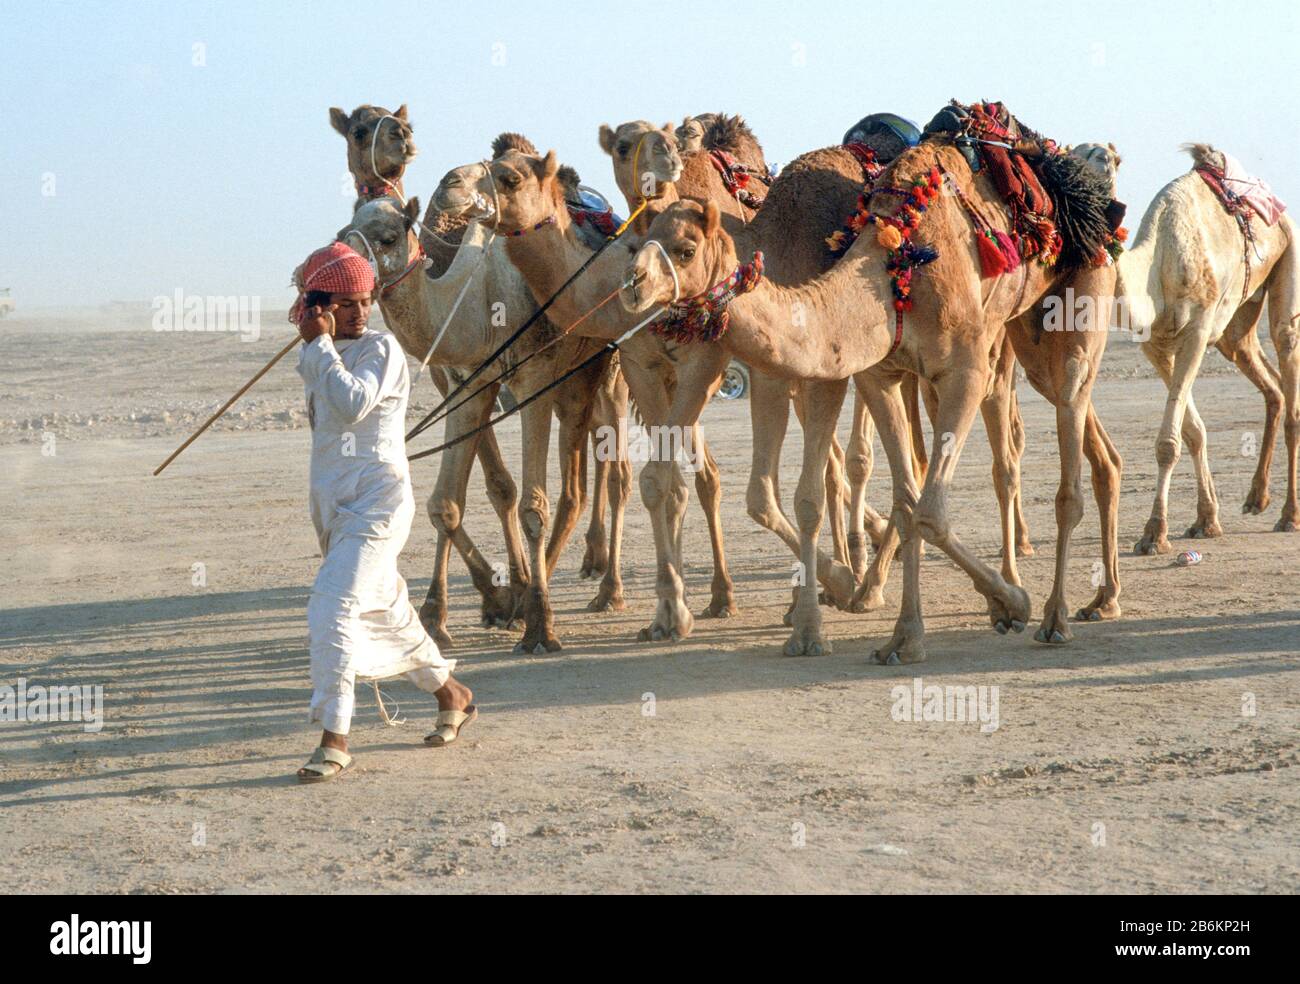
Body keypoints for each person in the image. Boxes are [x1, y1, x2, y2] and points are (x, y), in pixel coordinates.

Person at [289, 242, 475, 783]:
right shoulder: (315, 351)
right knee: (387, 610)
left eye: (365, 301)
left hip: (379, 505)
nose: (360, 312)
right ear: (318, 306)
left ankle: (335, 737)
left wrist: (320, 345)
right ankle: (454, 695)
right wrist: (315, 343)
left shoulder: (383, 350)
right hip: (333, 506)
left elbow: (353, 404)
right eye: (345, 304)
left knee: (333, 606)